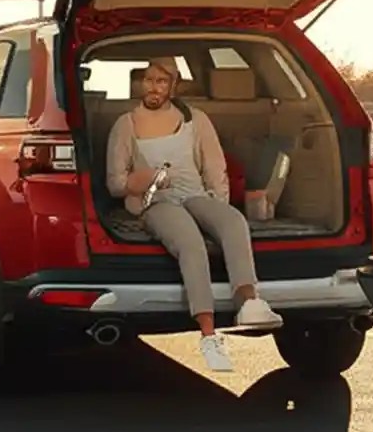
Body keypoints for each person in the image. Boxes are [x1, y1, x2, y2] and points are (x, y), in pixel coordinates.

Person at [105, 57, 282, 372]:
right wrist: (144, 179)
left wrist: (219, 205)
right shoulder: (126, 124)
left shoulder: (196, 120)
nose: (153, 88)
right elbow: (115, 184)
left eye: (161, 81)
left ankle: (249, 303)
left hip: (196, 195)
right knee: (190, 242)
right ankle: (209, 336)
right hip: (155, 203)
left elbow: (215, 168)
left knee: (233, 222)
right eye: (148, 80)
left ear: (173, 87)